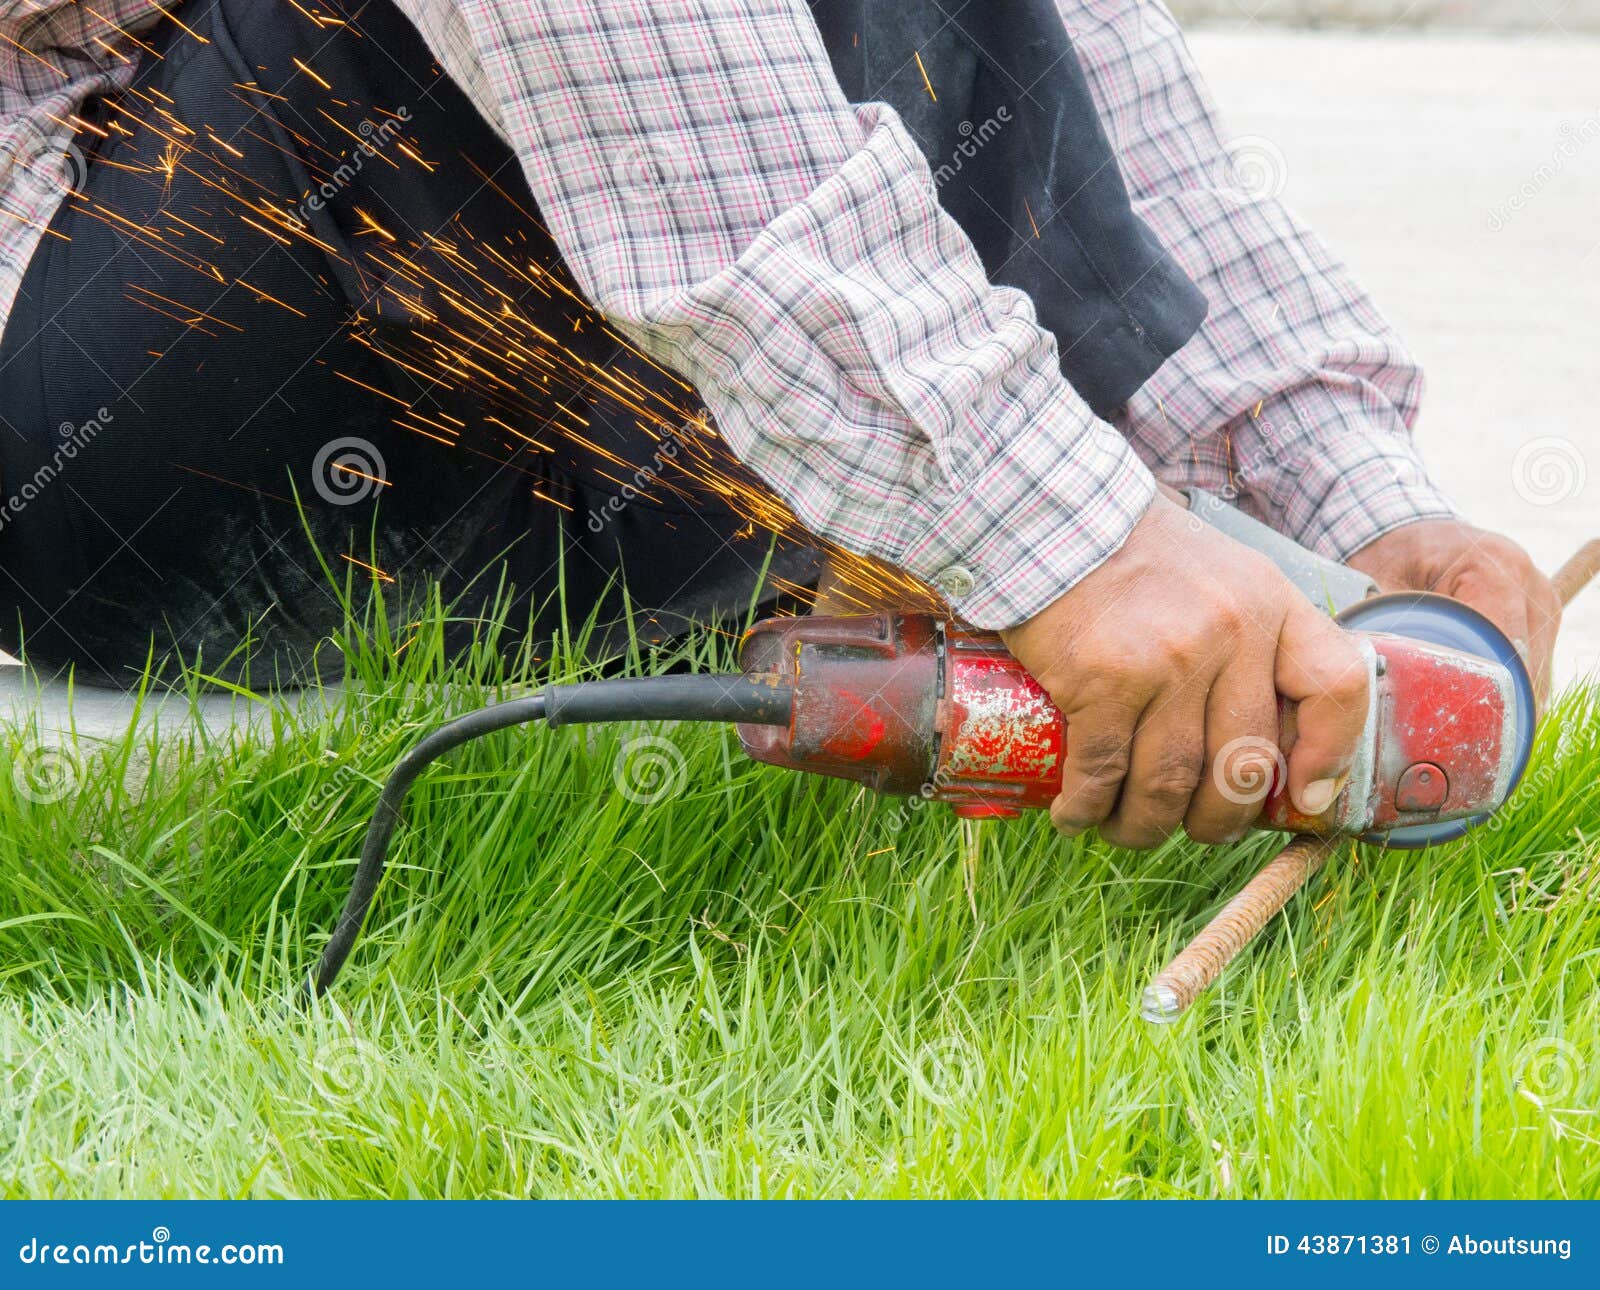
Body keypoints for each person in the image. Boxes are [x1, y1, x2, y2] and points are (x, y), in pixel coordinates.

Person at [0, 0, 1560, 849]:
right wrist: (1074, 539)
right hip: (121, 358)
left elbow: (1073, 51)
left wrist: (1335, 493)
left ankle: (812, 552)